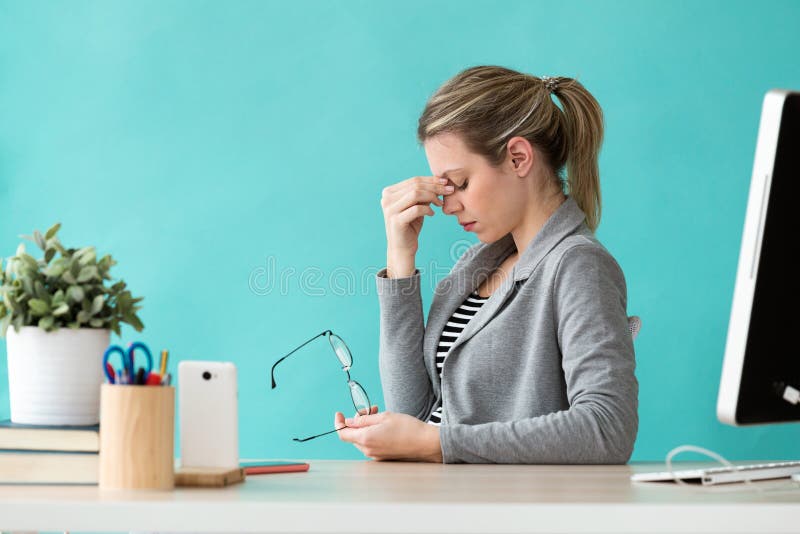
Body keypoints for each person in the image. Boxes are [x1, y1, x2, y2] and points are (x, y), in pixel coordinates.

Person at [334, 65, 638, 464]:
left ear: (517, 158)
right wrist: (400, 261)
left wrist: (437, 443)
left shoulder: (577, 264)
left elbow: (607, 428)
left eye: (459, 183)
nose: (448, 204)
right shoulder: (474, 267)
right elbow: (413, 415)